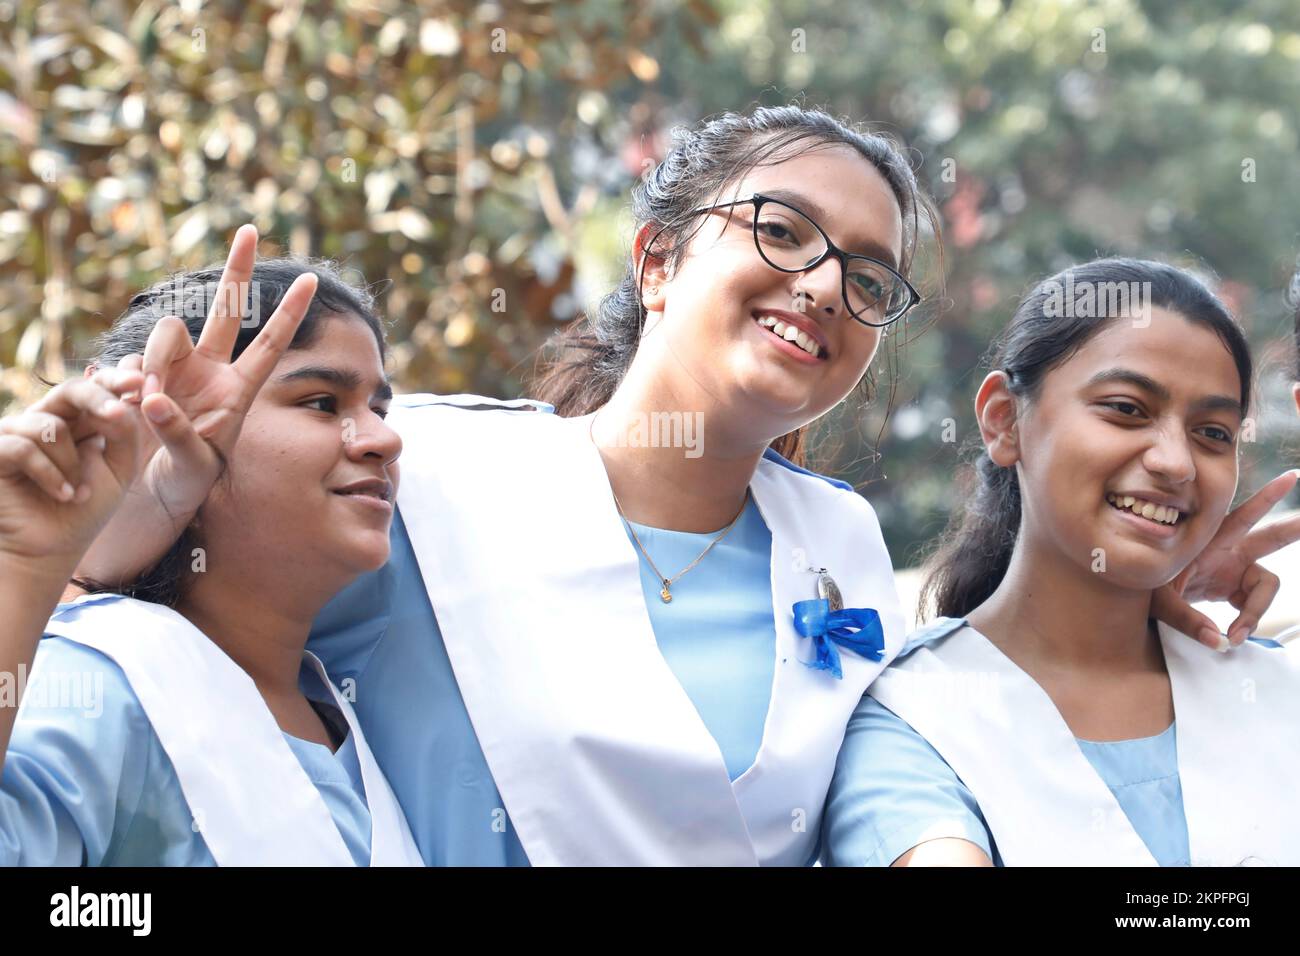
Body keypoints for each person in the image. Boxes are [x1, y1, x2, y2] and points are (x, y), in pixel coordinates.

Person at [69, 108, 1300, 866]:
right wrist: (152, 487)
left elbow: (944, 735)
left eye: (867, 278)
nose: (822, 286)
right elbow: (173, 606)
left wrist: (1136, 584)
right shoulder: (427, 474)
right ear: (657, 258)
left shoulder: (843, 544)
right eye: (780, 230)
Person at [822, 259, 1300, 867]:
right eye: (1127, 408)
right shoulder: (911, 720)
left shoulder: (1277, 692)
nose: (1176, 463)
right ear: (1004, 419)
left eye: (1213, 433)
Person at [0, 255, 421, 865]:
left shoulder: (350, 716)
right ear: (169, 436)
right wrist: (23, 564)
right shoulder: (108, 678)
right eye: (323, 403)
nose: (384, 439)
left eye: (379, 410)